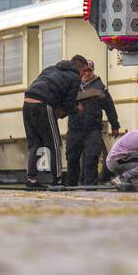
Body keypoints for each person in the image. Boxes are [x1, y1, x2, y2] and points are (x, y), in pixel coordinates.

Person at [20, 54, 89, 189]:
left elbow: (49, 89)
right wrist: (77, 109)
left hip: (27, 103)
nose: (84, 74)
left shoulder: (50, 69)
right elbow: (69, 105)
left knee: (35, 143)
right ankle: (57, 180)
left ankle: (31, 179)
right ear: (80, 69)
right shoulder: (74, 78)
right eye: (84, 71)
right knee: (54, 144)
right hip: (43, 105)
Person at [65, 62, 124, 186]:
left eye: (89, 71)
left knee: (92, 157)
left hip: (93, 129)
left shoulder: (100, 87)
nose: (87, 73)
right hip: (75, 129)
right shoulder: (73, 85)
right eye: (85, 71)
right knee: (72, 158)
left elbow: (109, 107)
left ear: (93, 72)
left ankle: (90, 186)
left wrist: (115, 125)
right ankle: (71, 185)